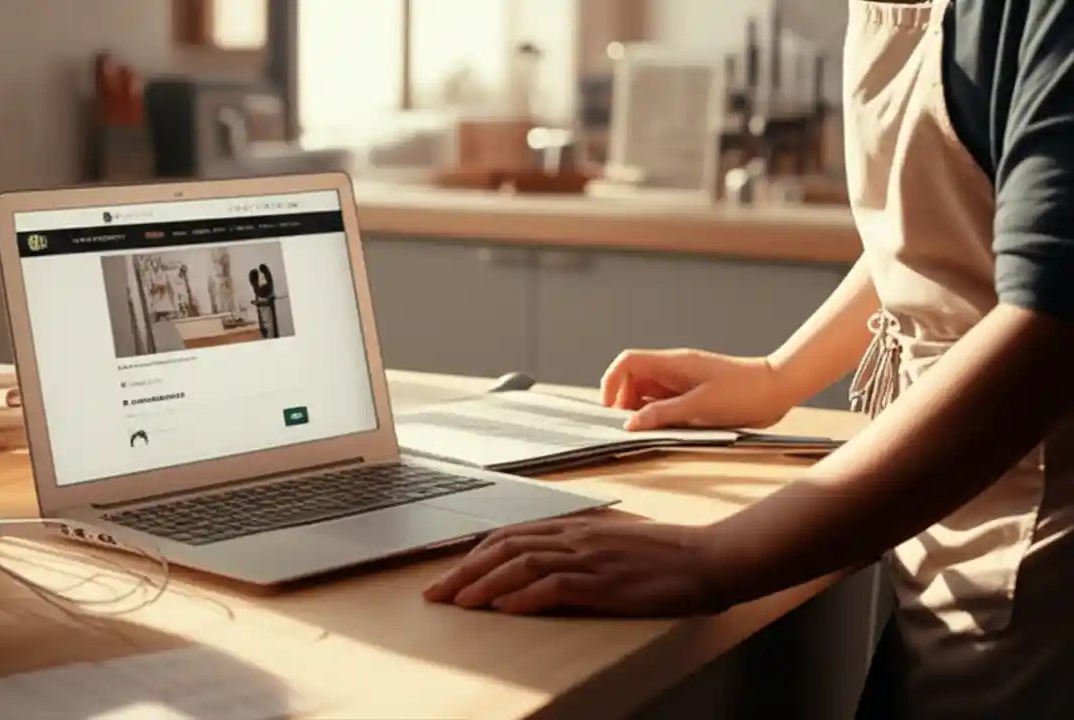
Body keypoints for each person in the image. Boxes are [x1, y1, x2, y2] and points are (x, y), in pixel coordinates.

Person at [424, 1, 1074, 717]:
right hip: (951, 530)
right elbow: (937, 230)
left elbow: (1047, 328)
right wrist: (780, 374)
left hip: (1046, 572)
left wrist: (715, 557)